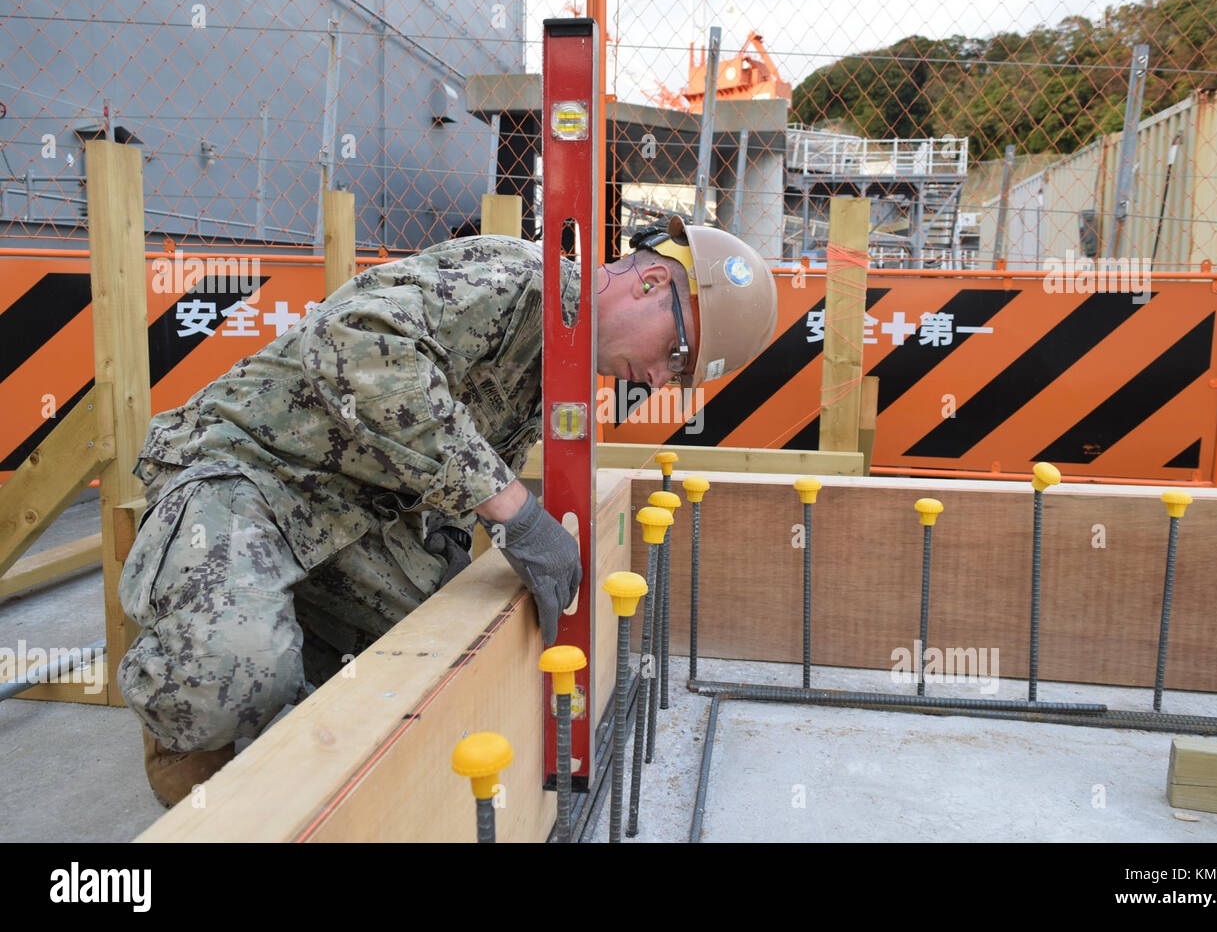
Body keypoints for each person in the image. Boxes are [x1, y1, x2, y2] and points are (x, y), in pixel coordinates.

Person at [118, 215, 778, 806]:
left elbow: (450, 468)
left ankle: (293, 639)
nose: (659, 381)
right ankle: (187, 732)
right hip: (249, 472)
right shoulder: (522, 280)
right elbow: (359, 351)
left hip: (353, 517)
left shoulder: (561, 370)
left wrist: (450, 552)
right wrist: (517, 514)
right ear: (652, 283)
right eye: (675, 355)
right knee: (235, 675)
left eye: (678, 378)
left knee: (446, 670)